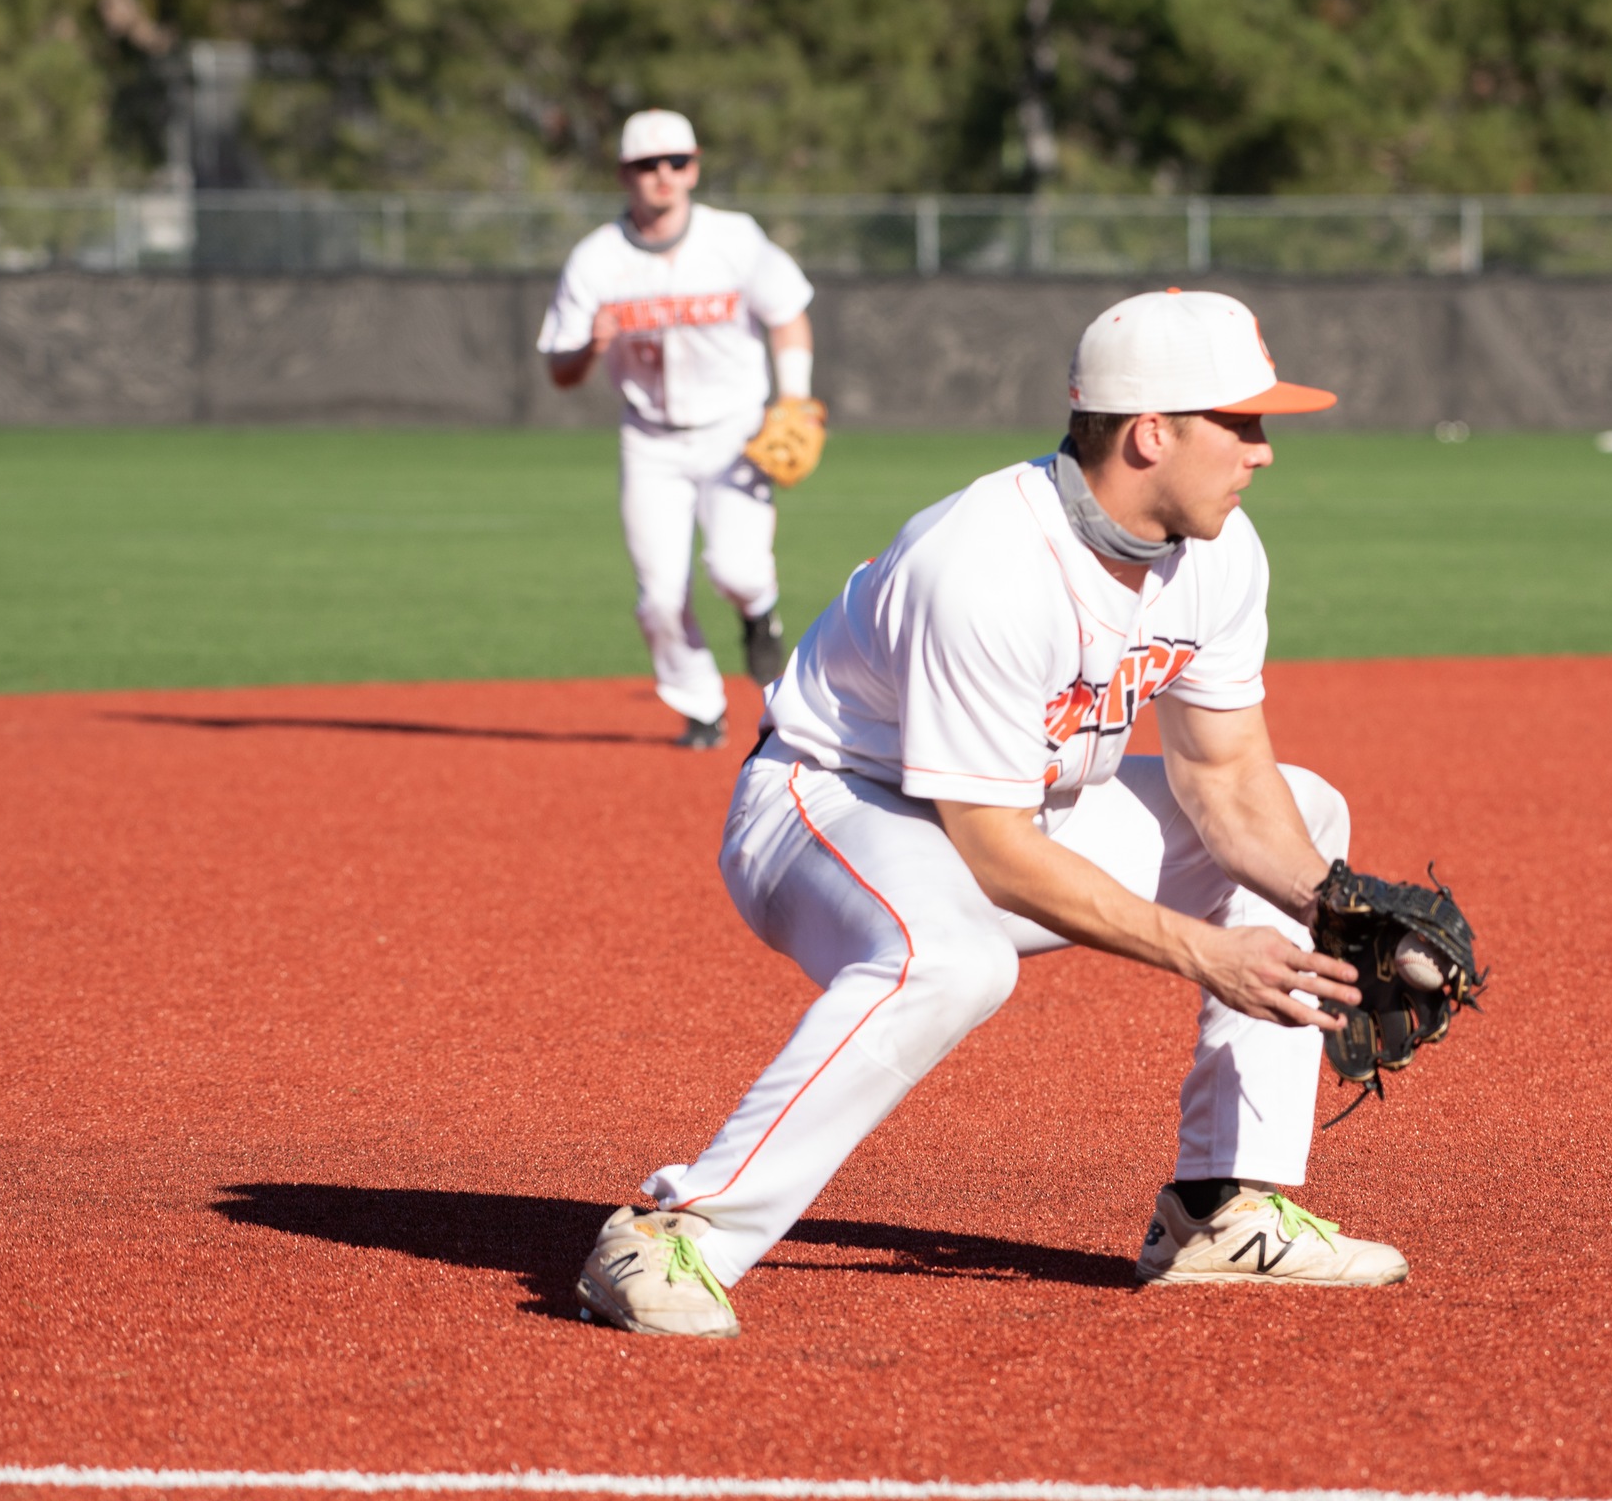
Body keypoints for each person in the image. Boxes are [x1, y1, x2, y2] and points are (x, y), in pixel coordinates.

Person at [577, 289, 1406, 1339]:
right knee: (954, 957)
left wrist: (1333, 908)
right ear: (1153, 432)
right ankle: (675, 1229)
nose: (1263, 450)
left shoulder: (1221, 553)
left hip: (1015, 807)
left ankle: (1221, 1205)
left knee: (1309, 810)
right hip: (827, 804)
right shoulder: (983, 564)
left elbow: (1231, 777)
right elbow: (998, 855)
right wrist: (1210, 951)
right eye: (1240, 422)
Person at [538, 109, 817, 748]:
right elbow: (560, 369)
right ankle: (699, 705)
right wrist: (587, 349)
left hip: (735, 428)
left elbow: (788, 313)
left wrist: (795, 399)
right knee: (658, 597)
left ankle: (758, 614)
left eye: (676, 162)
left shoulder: (733, 238)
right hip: (651, 438)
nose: (663, 176)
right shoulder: (596, 260)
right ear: (623, 174)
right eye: (646, 165)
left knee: (738, 569)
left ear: (693, 168)